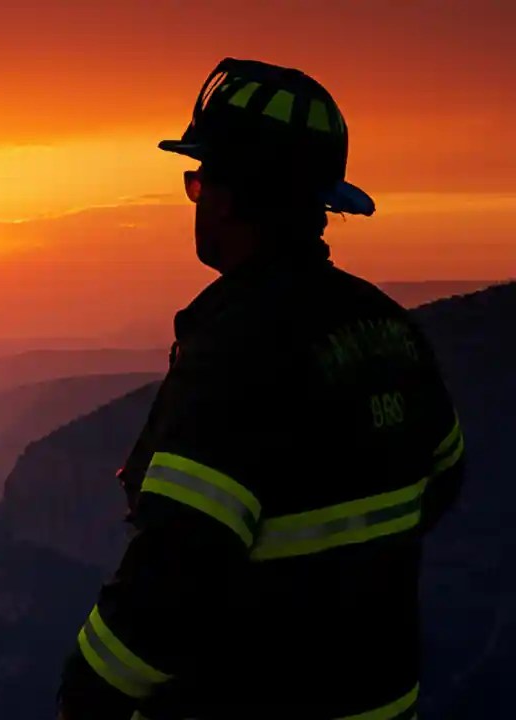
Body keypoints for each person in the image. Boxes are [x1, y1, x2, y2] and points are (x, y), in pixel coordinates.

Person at [55, 57, 466, 719]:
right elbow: (442, 478)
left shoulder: (238, 348)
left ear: (232, 194)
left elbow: (176, 568)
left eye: (198, 181)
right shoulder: (390, 329)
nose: (197, 198)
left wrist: (87, 694)